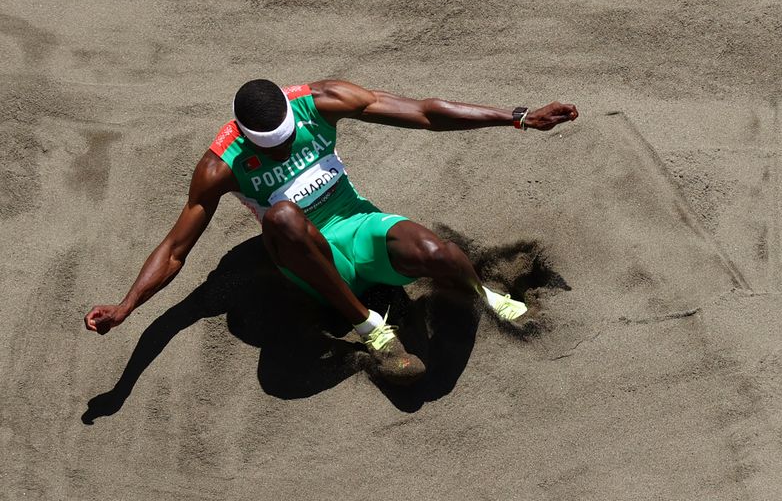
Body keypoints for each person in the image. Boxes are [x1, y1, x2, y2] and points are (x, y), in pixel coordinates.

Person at [84, 79, 578, 384]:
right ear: (243, 134)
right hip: (313, 262)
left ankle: (483, 294)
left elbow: (425, 113)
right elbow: (174, 250)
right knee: (281, 217)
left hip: (358, 225)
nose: (284, 149)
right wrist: (127, 306)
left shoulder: (322, 101)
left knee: (441, 254)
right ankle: (369, 328)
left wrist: (518, 118)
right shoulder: (220, 166)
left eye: (288, 139)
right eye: (270, 147)